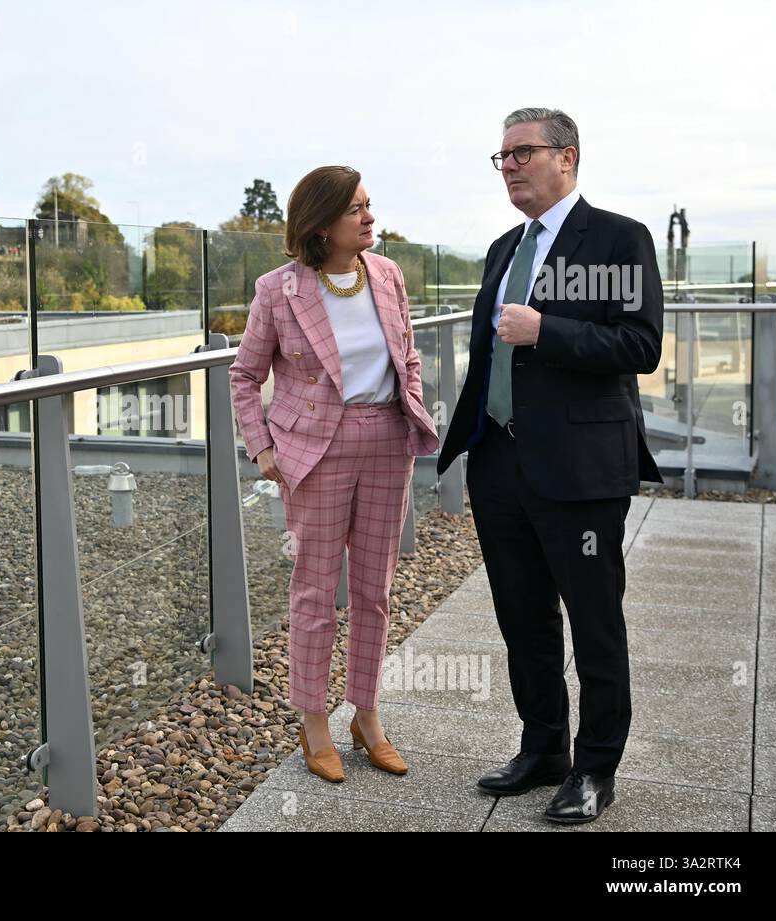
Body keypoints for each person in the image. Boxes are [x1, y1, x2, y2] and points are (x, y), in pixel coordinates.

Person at [436, 107, 664, 823]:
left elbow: (641, 345)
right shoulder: (504, 248)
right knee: (522, 616)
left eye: (522, 152)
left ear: (567, 157)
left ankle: (596, 768)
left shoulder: (621, 238)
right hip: (500, 461)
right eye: (501, 156)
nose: (509, 166)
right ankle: (543, 749)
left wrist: (547, 330)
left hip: (581, 469)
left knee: (594, 621)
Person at [230, 165, 439, 783]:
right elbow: (245, 375)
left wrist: (412, 403)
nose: (369, 217)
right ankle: (314, 722)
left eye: (369, 205)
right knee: (316, 592)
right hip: (314, 452)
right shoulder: (279, 290)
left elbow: (407, 356)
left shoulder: (388, 274)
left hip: (387, 443)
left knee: (374, 591)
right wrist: (262, 449)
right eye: (355, 209)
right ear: (321, 224)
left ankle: (367, 716)